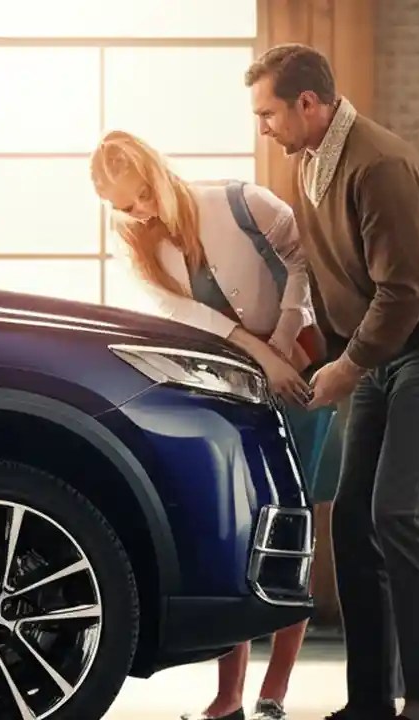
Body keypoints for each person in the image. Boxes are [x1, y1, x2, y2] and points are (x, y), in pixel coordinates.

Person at [244, 44, 419, 720]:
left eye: (269, 112)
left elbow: (407, 290)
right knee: (352, 522)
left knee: (400, 515)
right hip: (381, 356)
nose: (262, 125)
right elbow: (335, 284)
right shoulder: (312, 162)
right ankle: (370, 703)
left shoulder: (378, 164)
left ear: (309, 103)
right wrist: (314, 357)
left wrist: (346, 368)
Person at [90, 129, 333, 720]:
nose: (139, 211)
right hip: (237, 388)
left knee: (292, 528)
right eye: (124, 207)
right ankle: (228, 698)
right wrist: (262, 356)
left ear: (156, 170)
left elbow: (303, 259)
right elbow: (190, 315)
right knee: (244, 529)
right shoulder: (141, 249)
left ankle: (273, 692)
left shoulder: (242, 202)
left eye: (142, 194)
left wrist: (282, 342)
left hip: (304, 374)